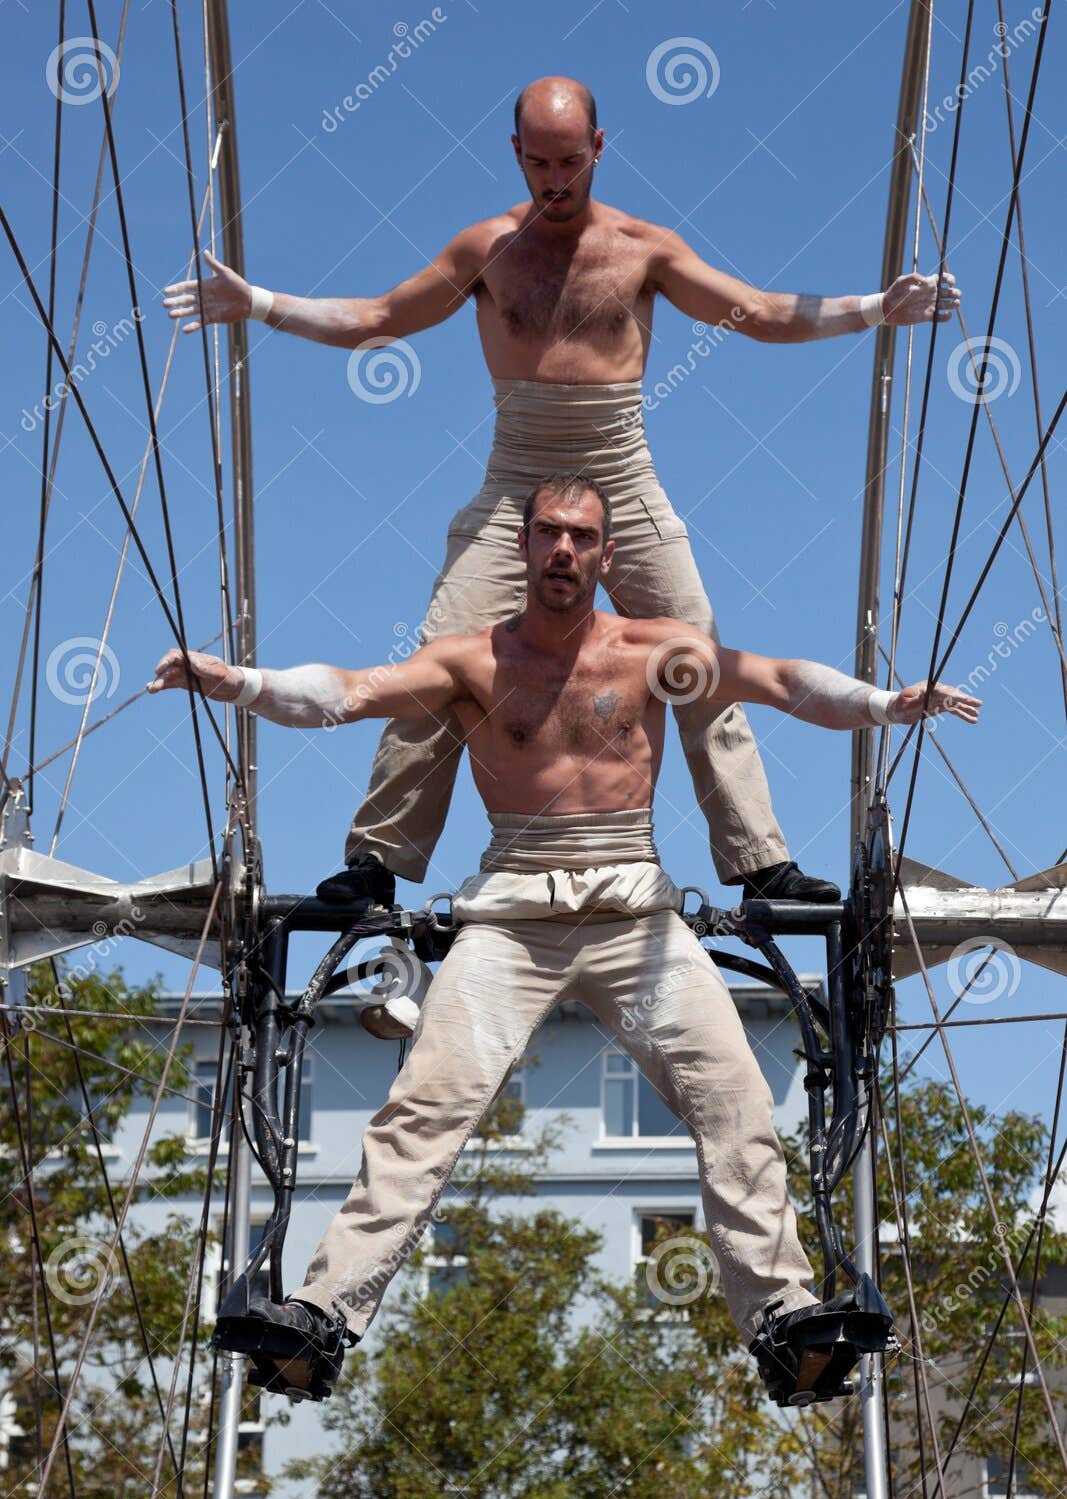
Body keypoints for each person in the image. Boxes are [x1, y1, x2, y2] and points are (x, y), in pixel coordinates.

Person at [149, 474, 978, 1405]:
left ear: (606, 555)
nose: (562, 553)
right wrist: (243, 683)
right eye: (548, 534)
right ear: (522, 546)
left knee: (733, 1101)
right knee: (422, 1111)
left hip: (635, 916)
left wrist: (882, 703)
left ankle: (782, 1315)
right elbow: (348, 692)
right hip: (510, 916)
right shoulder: (473, 661)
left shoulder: (652, 651)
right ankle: (321, 1313)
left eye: (581, 538)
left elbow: (780, 681)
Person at [162, 75, 960, 911]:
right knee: (435, 655)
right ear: (514, 154)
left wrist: (874, 309)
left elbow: (757, 312)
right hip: (516, 480)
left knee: (697, 653)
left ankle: (760, 860)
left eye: (570, 161)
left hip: (622, 471)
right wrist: (256, 302)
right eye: (538, 162)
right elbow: (376, 319)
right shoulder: (485, 250)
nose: (554, 180)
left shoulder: (643, 247)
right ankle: (377, 861)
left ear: (599, 149)